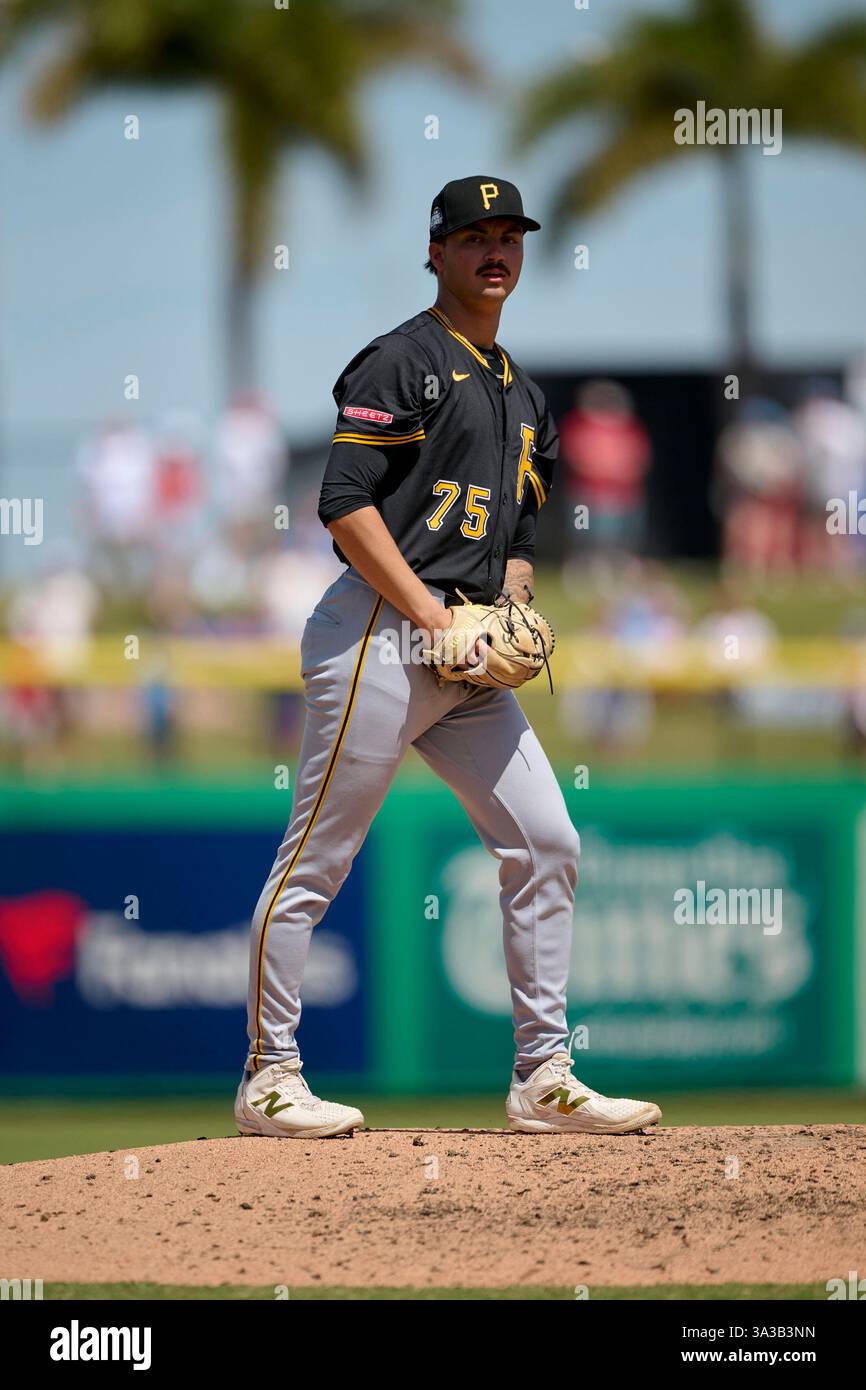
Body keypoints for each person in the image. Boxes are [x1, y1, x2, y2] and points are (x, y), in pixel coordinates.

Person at [234, 176, 661, 1138]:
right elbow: (344, 505)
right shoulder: (401, 361)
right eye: (474, 236)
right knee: (315, 862)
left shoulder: (525, 395)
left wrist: (510, 610)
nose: (495, 250)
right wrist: (433, 614)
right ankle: (269, 1074)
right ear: (436, 252)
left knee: (547, 841)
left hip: (465, 652)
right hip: (381, 635)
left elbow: (519, 533)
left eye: (509, 234)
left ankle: (542, 1076)